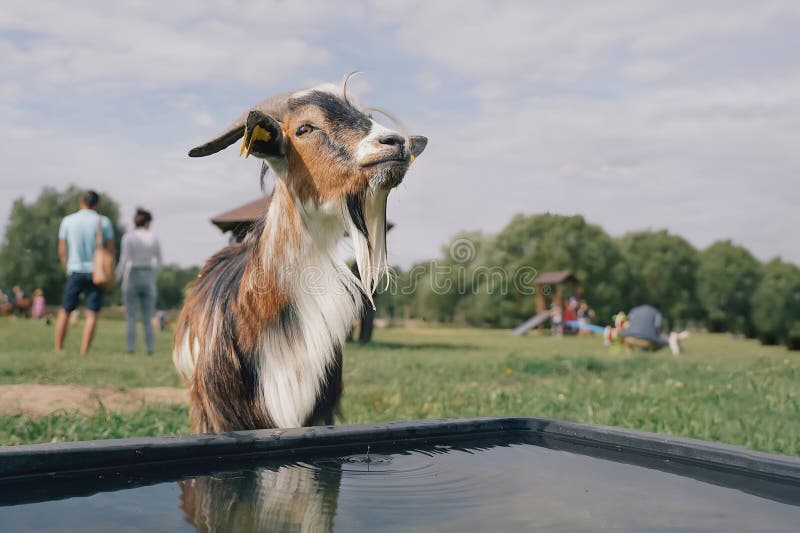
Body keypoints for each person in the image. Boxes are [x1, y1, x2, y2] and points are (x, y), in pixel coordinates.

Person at [54, 190, 115, 354]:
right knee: (92, 313)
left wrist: (66, 266)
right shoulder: (104, 222)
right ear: (97, 204)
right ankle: (84, 351)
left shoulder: (68, 221)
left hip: (74, 269)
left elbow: (62, 249)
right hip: (97, 273)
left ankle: (58, 348)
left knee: (65, 311)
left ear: (81, 201)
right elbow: (110, 251)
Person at [116, 207, 162, 354]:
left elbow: (124, 260)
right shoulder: (153, 238)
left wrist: (116, 277)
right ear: (148, 222)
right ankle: (150, 348)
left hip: (132, 274)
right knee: (148, 317)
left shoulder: (128, 237)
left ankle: (131, 348)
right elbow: (160, 261)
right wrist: (153, 276)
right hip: (148, 274)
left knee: (131, 316)